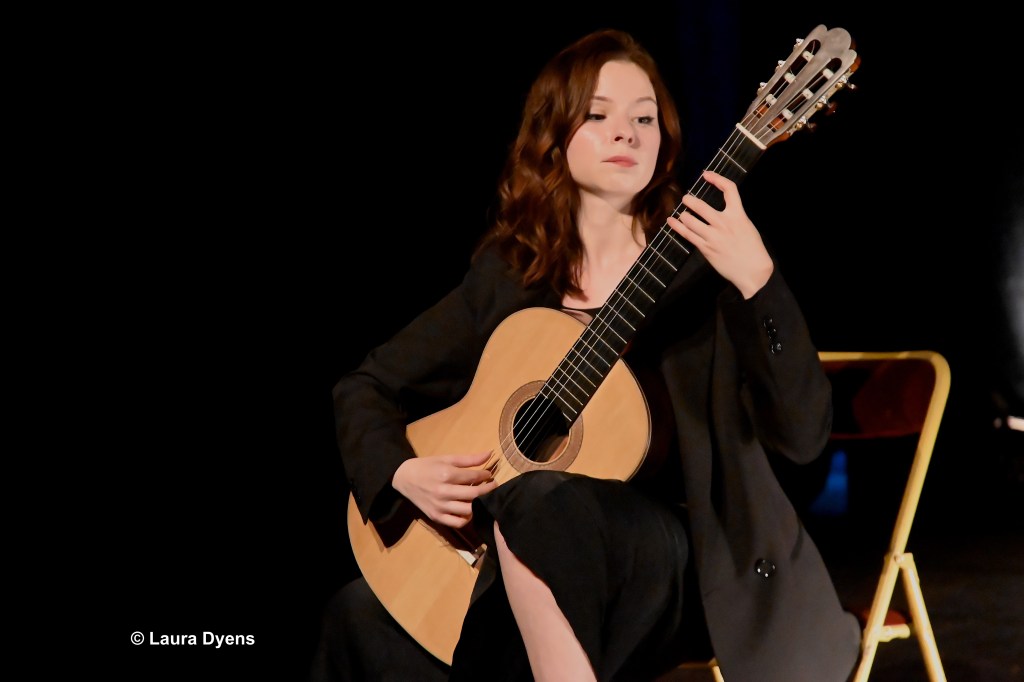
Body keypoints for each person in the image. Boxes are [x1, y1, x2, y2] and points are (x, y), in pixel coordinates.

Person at [310, 27, 861, 682]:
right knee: (356, 618)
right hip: (514, 562)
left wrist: (758, 283)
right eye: (598, 116)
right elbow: (365, 386)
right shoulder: (510, 278)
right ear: (554, 136)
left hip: (673, 568)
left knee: (542, 501)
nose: (625, 132)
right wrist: (401, 473)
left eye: (644, 118)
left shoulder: (708, 276)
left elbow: (802, 440)